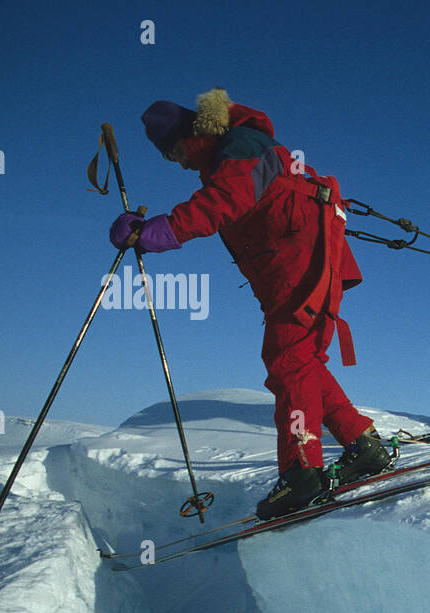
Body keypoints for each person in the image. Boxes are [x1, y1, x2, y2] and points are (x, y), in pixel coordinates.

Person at [108, 88, 392, 519]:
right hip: (299, 263)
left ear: (189, 137)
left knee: (289, 360)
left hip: (301, 262)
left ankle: (302, 475)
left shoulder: (241, 147)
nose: (180, 165)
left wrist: (155, 232)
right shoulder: (236, 152)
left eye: (175, 154)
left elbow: (224, 202)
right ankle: (362, 445)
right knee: (299, 359)